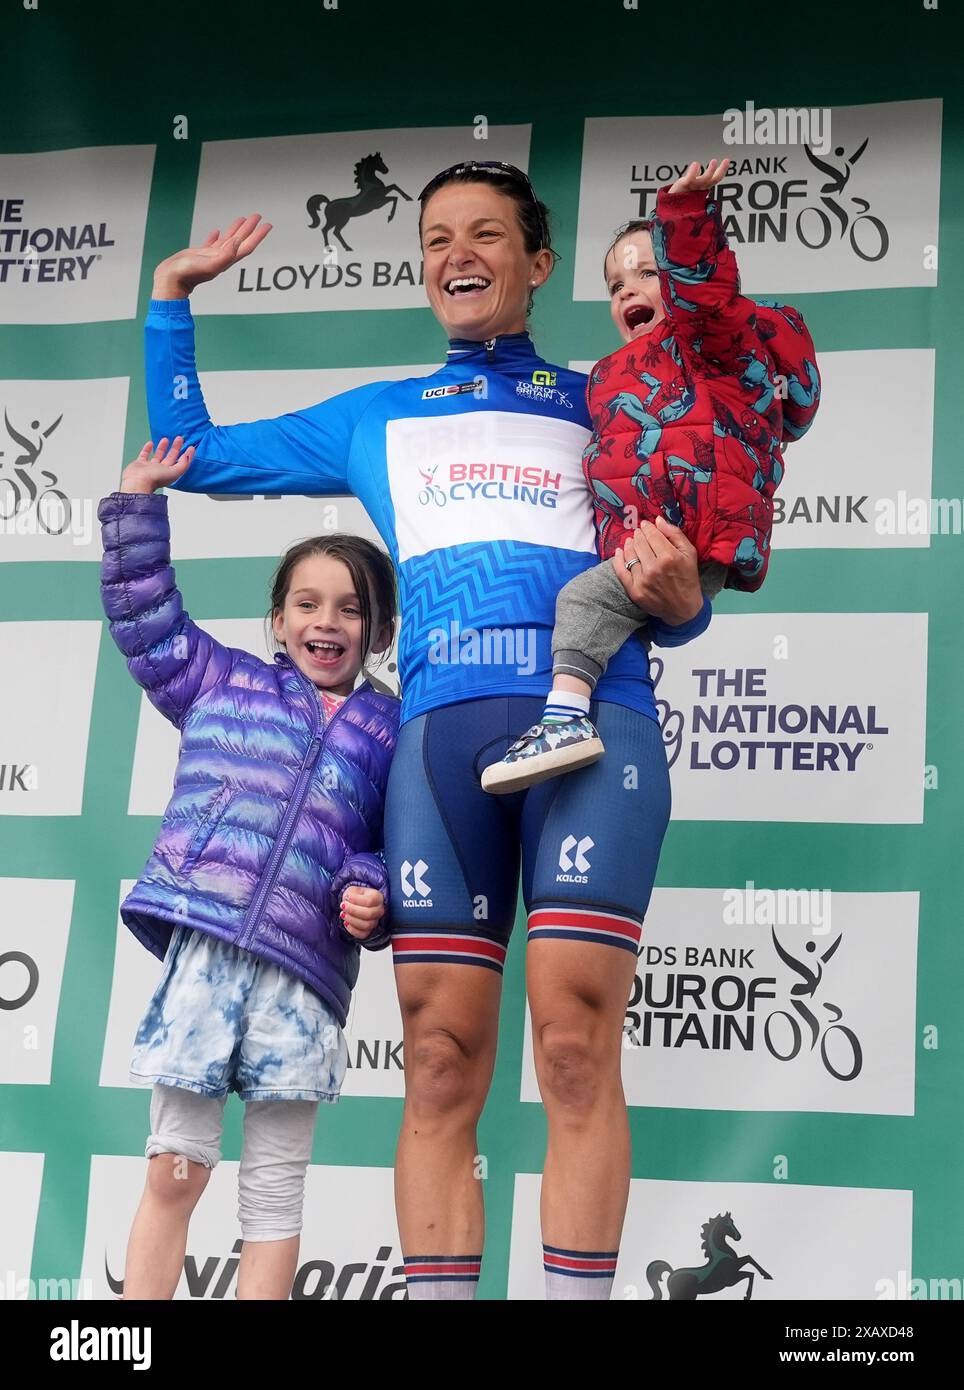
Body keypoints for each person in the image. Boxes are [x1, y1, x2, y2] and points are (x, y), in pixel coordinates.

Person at [143, 161, 711, 1300]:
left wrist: (688, 602)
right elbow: (191, 451)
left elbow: (684, 587)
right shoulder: (376, 415)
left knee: (570, 1046)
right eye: (438, 235)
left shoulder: (613, 397)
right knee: (442, 1065)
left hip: (593, 726)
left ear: (538, 263)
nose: (459, 252)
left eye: (489, 234)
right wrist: (171, 296)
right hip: (440, 746)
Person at [101, 436, 399, 1299]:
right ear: (276, 620)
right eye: (306, 603)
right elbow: (144, 616)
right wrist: (137, 502)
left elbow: (386, 848)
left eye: (350, 609)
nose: (327, 623)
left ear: (380, 630)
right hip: (208, 948)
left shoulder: (392, 736)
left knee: (272, 1195)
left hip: (305, 979)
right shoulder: (220, 683)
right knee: (174, 1173)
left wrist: (364, 888)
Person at [482, 157, 821, 794]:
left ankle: (563, 721)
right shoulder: (613, 375)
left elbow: (705, 293)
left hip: (697, 533)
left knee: (580, 600)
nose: (629, 290)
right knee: (591, 606)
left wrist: (685, 216)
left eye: (649, 272)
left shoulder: (710, 343)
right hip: (656, 541)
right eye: (615, 285)